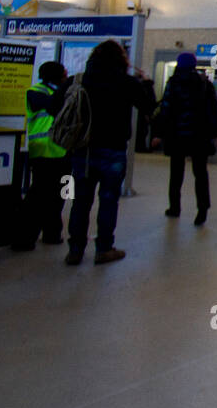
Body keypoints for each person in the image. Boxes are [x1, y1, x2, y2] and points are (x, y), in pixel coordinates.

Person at [65, 40, 155, 265]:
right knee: (108, 200)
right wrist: (147, 84)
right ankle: (104, 248)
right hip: (113, 149)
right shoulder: (127, 82)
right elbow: (148, 108)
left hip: (83, 150)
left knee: (80, 201)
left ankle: (75, 249)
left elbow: (54, 106)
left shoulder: (78, 80)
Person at [151, 52, 217, 225]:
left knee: (176, 173)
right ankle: (202, 209)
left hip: (177, 136)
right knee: (200, 173)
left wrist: (159, 133)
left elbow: (166, 110)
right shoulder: (205, 84)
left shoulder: (173, 83)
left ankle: (174, 207)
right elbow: (213, 108)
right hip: (200, 136)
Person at [13, 61, 69, 250]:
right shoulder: (36, 92)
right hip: (44, 152)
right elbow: (53, 106)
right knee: (38, 195)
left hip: (65, 151)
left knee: (62, 193)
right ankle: (23, 238)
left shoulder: (62, 92)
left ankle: (53, 233)